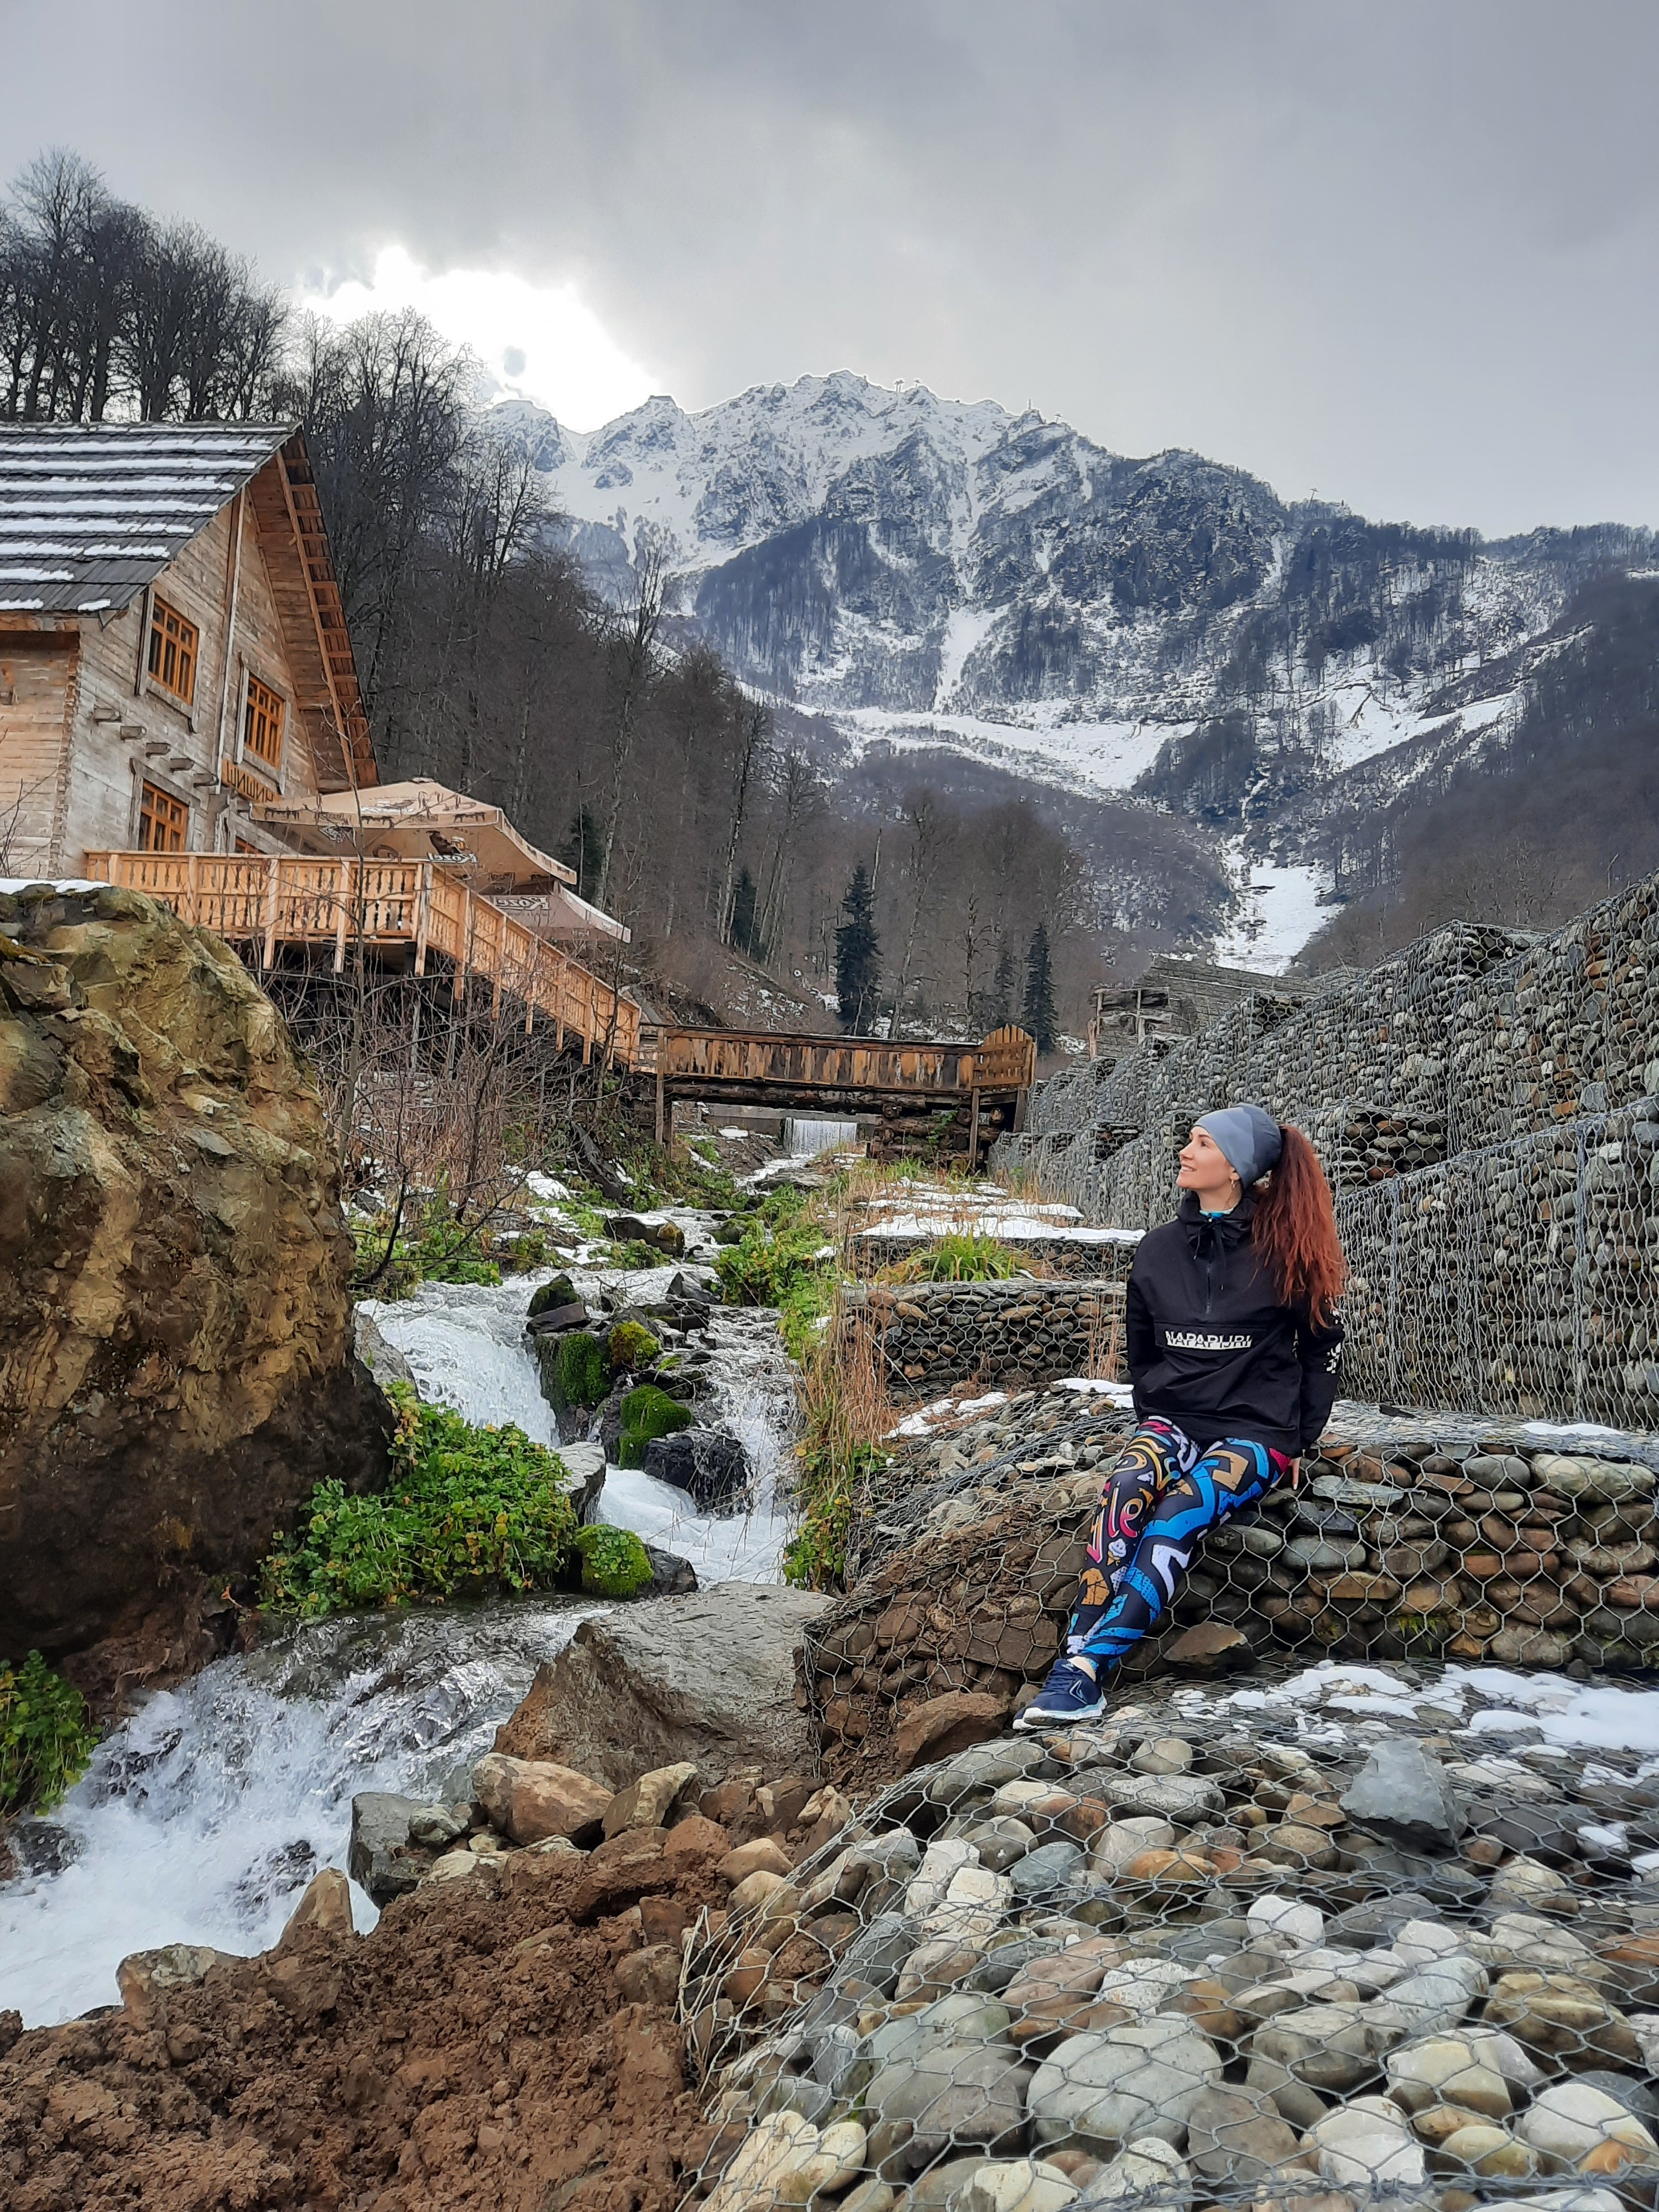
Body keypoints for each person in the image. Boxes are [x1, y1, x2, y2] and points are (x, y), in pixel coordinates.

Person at [1015, 1103, 1345, 1730]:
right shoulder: (1159, 1249)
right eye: (1189, 1141)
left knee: (1175, 1516)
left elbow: (1322, 1344)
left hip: (1256, 1432)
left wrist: (1301, 1438)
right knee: (1125, 1491)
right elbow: (1141, 1347)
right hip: (1172, 1421)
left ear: (1237, 1168)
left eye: (1201, 1143)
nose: (1185, 1153)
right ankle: (1076, 1661)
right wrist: (1156, 1418)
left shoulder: (1286, 1250)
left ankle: (1085, 1673)